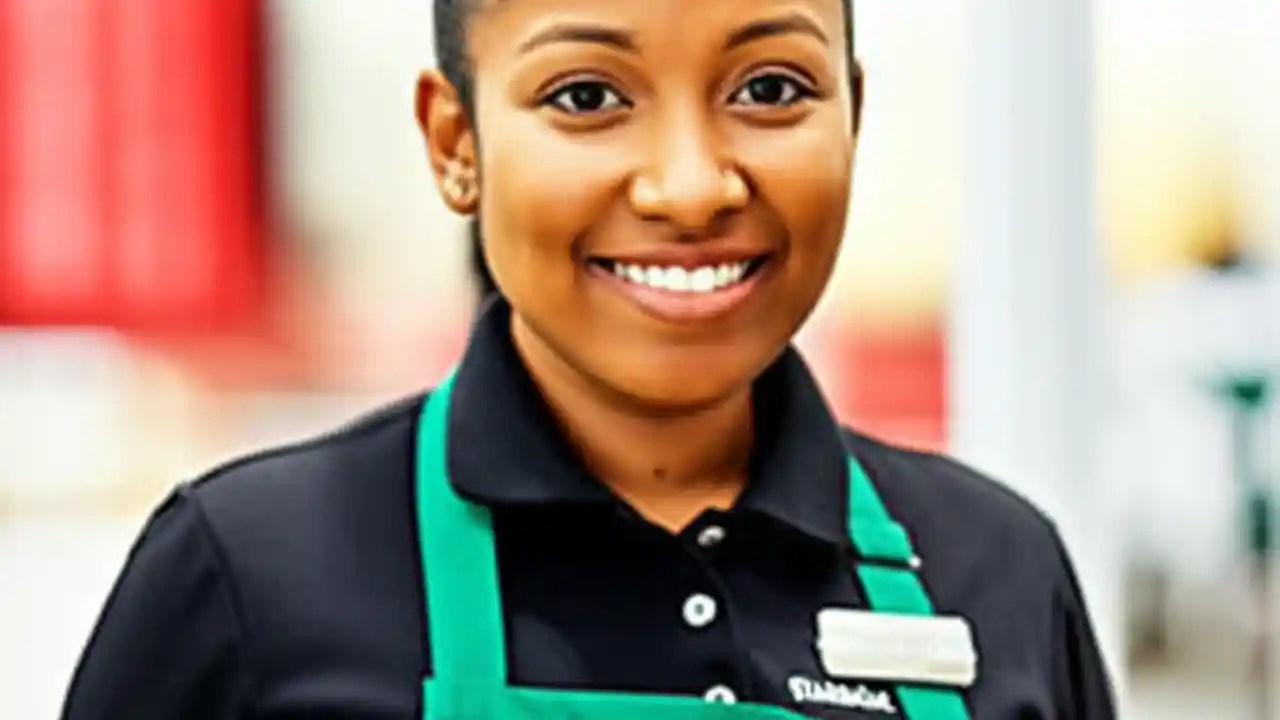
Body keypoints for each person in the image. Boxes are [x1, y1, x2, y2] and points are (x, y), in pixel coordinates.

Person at [61, 0, 1116, 718]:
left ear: (854, 112)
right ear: (454, 143)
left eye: (769, 88)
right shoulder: (249, 575)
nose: (690, 186)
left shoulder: (1000, 572)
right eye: (585, 97)